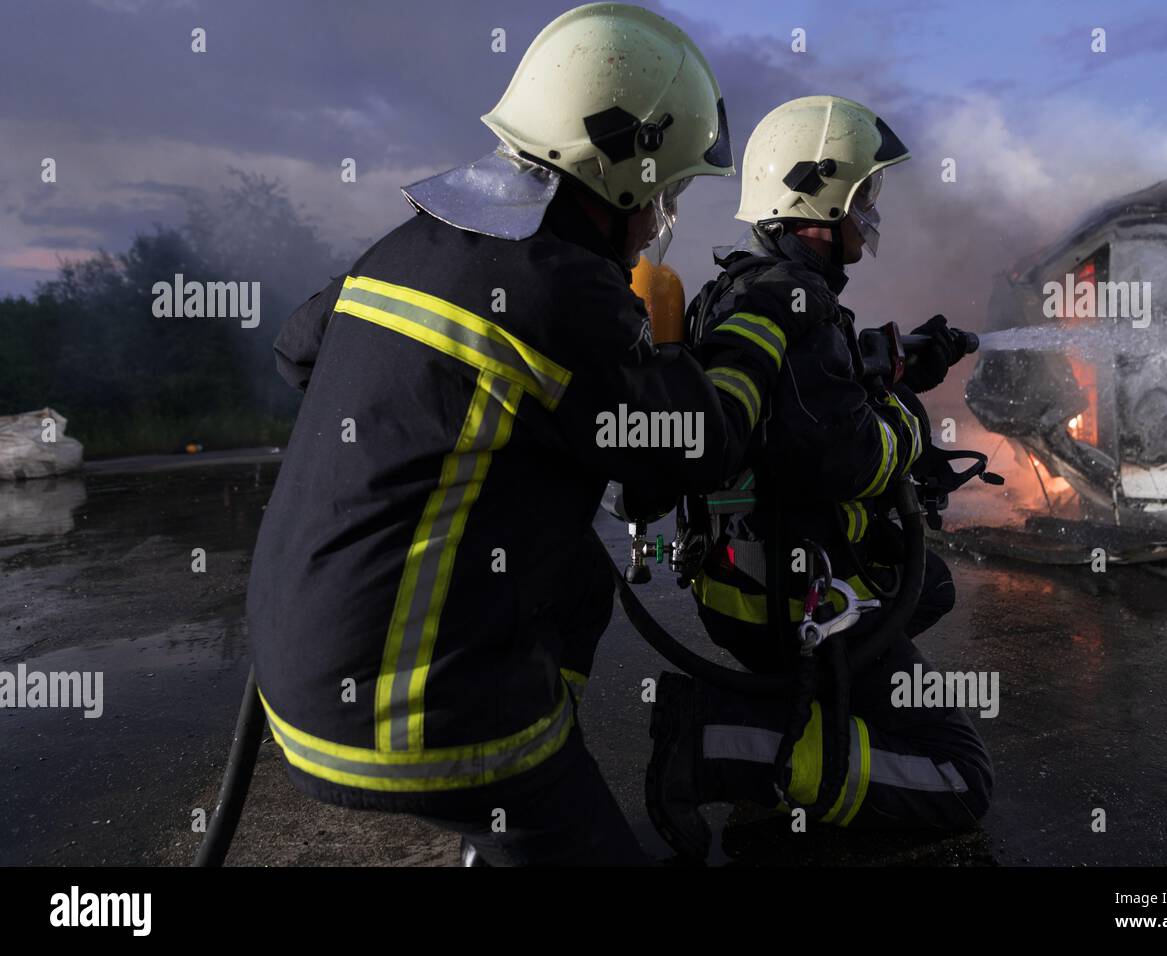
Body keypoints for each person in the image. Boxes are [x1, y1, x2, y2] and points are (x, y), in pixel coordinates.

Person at [245, 4, 831, 866]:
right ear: (626, 176)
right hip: (406, 718)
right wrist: (745, 336)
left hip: (295, 673)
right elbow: (701, 448)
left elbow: (301, 350)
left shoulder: (409, 245)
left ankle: (523, 797)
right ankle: (519, 810)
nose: (663, 210)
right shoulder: (562, 289)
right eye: (666, 186)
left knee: (576, 574)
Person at [646, 96, 993, 860]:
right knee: (957, 779)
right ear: (818, 201)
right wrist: (908, 418)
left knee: (928, 585)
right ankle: (716, 741)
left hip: (745, 582)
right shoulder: (786, 302)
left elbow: (807, 388)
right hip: (796, 601)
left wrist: (901, 354)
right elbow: (847, 453)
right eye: (861, 196)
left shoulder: (752, 291)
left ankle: (796, 707)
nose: (871, 214)